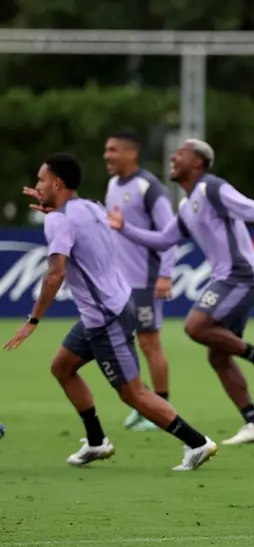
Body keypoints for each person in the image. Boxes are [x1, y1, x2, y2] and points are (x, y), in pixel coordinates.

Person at [4, 153, 217, 471]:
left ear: (56, 183)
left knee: (133, 393)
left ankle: (197, 442)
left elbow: (55, 273)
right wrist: (52, 208)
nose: (36, 186)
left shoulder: (58, 220)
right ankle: (96, 441)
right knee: (62, 367)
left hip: (106, 318)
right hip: (107, 310)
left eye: (41, 180)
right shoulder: (89, 207)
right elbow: (80, 232)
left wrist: (31, 321)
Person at [107, 139, 254, 446]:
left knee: (195, 326)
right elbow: (164, 240)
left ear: (198, 162)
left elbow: (248, 207)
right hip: (230, 278)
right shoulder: (187, 204)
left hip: (240, 276)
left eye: (180, 154)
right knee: (219, 356)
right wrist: (124, 227)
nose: (173, 157)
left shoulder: (212, 188)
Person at [103, 132, 175, 432]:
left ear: (131, 154)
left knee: (149, 342)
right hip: (117, 283)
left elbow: (169, 233)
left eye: (113, 150)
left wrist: (165, 274)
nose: (107, 155)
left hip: (144, 280)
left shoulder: (148, 187)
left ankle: (162, 408)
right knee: (121, 343)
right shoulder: (111, 185)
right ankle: (143, 404)